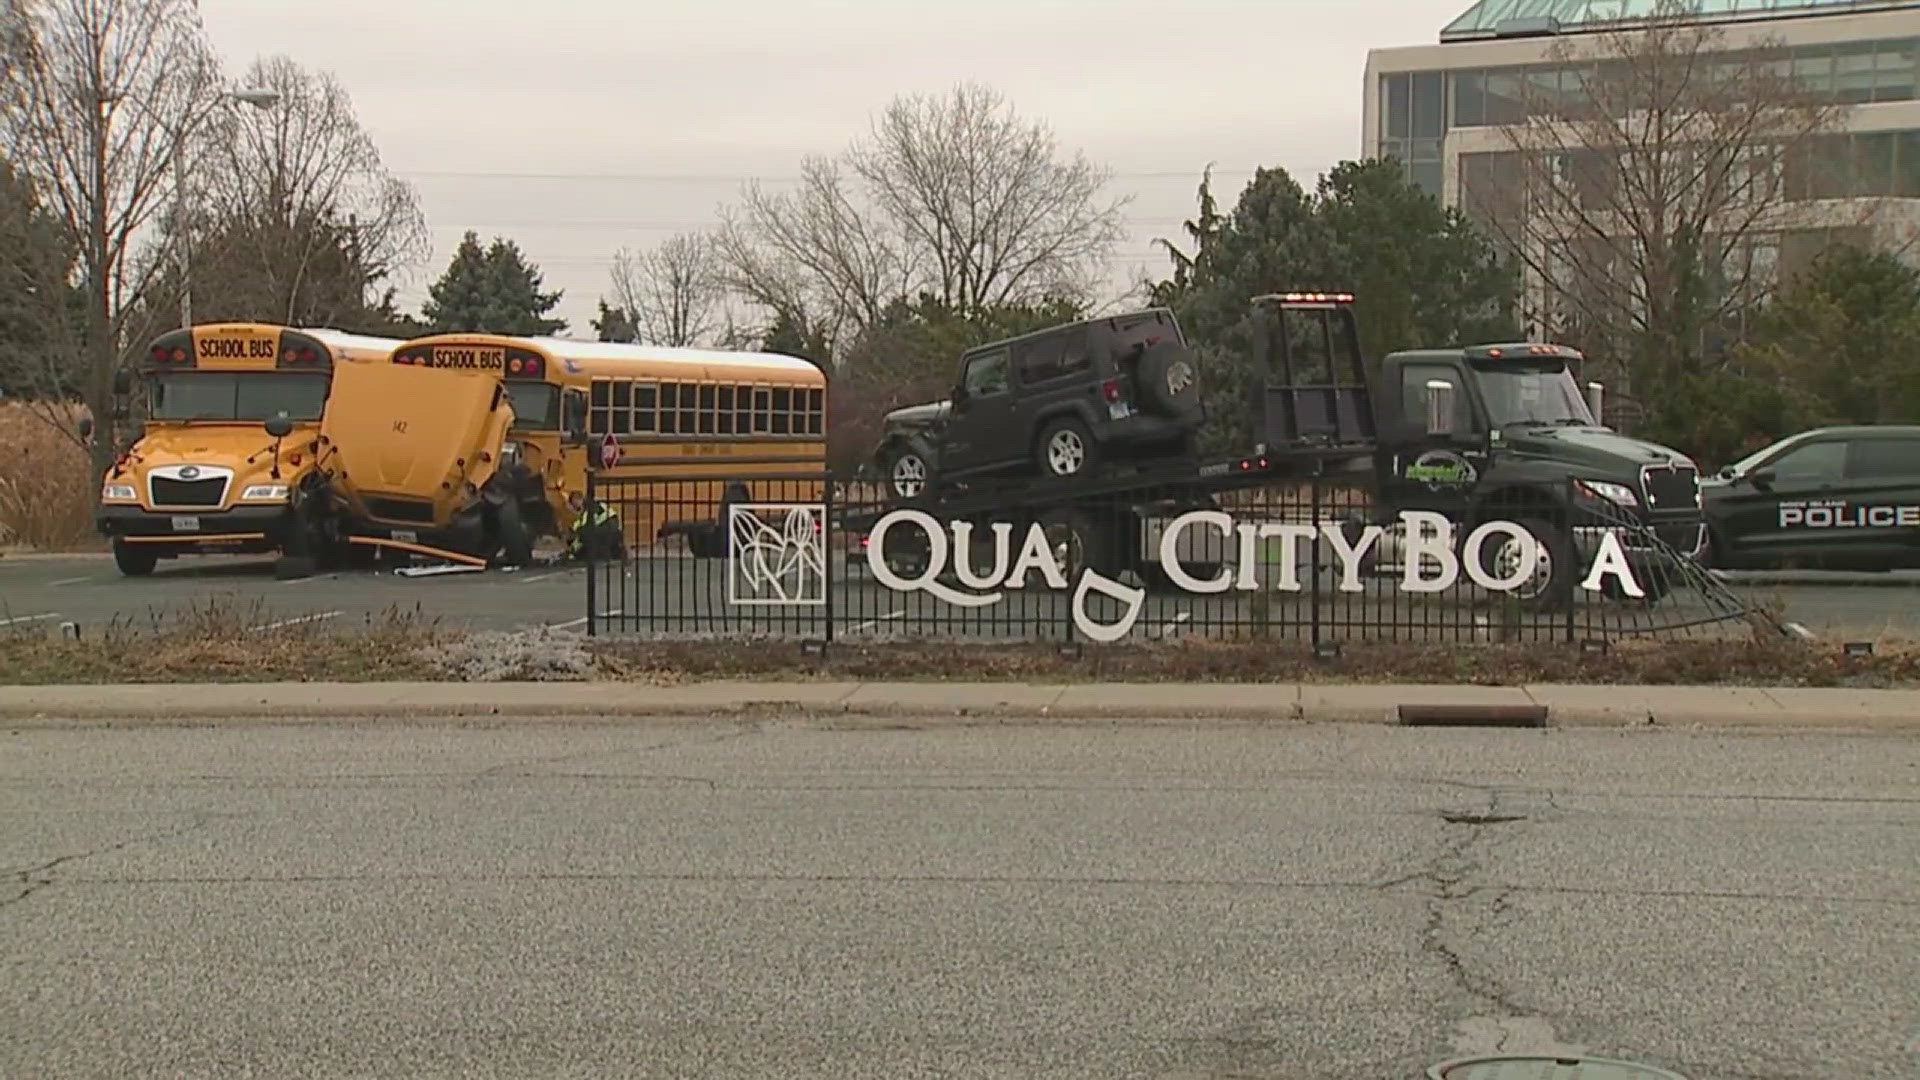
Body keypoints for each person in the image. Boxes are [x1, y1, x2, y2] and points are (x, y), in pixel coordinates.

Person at [566, 492, 625, 561]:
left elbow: (583, 528)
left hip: (607, 525)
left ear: (579, 500)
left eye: (574, 503)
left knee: (586, 535)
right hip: (612, 525)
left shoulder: (588, 508)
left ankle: (602, 557)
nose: (574, 506)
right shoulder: (593, 504)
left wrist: (572, 551)